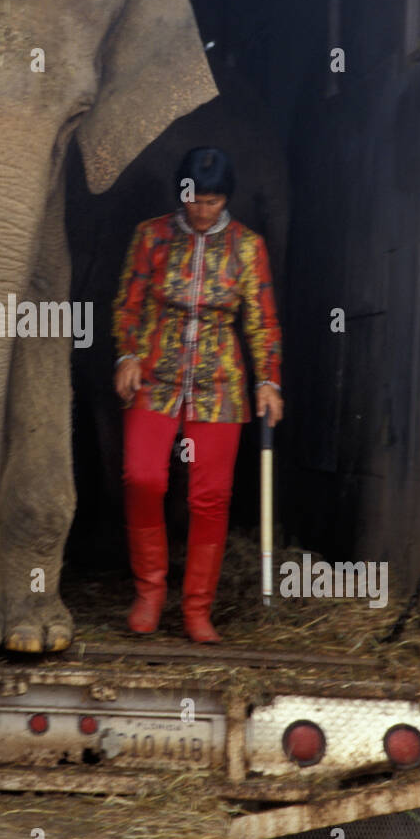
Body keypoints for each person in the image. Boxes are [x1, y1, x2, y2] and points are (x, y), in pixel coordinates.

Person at [112, 147, 283, 643]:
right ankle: (149, 593)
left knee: (210, 498)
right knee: (142, 478)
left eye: (211, 201)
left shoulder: (247, 247)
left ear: (225, 199)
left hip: (220, 386)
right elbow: (128, 303)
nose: (201, 210)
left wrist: (268, 380)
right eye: (194, 199)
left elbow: (262, 319)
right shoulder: (152, 236)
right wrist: (126, 355)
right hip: (154, 376)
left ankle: (196, 610)